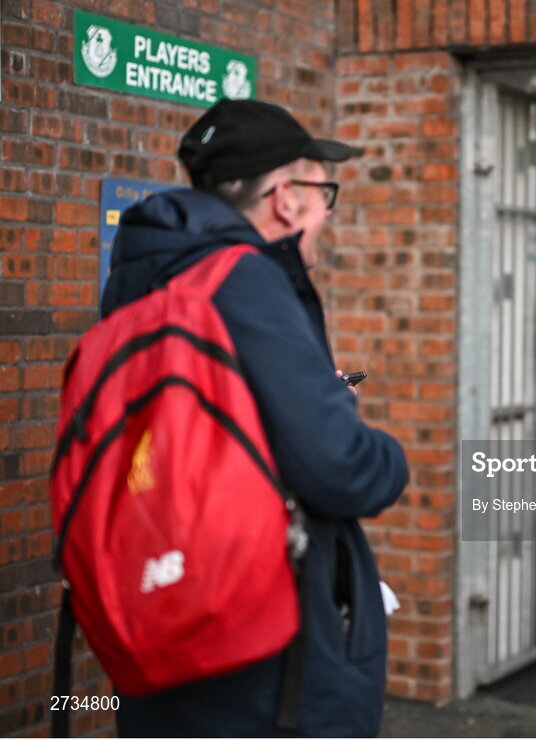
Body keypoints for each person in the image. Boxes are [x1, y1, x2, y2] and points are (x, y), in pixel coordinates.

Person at [100, 99, 409, 736]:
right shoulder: (246, 281)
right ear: (285, 199)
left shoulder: (147, 275)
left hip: (166, 617)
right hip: (258, 654)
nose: (327, 212)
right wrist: (387, 457)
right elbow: (338, 466)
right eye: (324, 192)